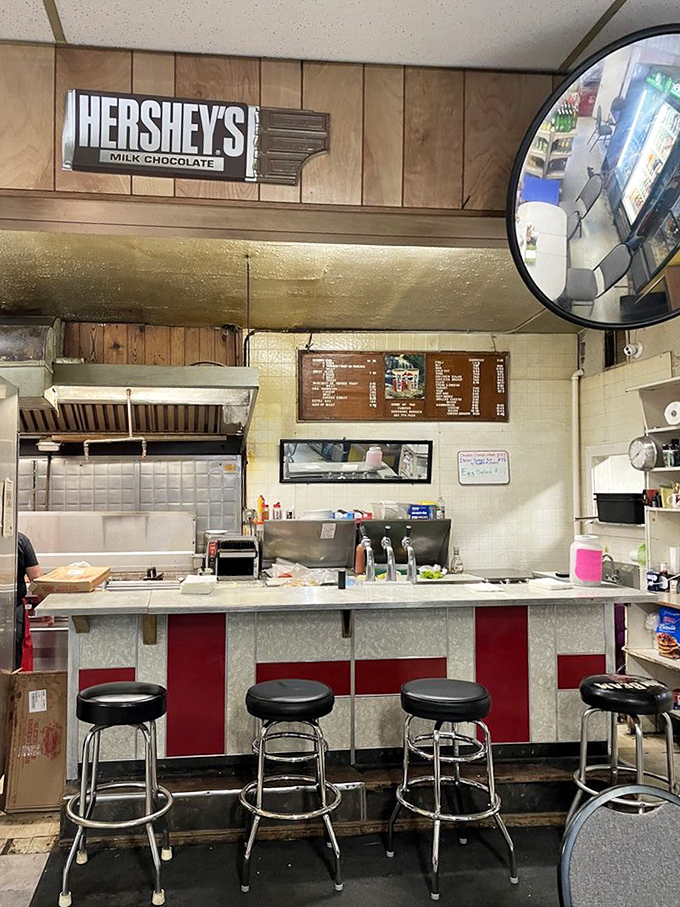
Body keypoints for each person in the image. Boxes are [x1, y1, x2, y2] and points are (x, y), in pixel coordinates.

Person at [15, 532, 43, 670]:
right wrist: (45, 606)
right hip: (12, 613)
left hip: (14, 610)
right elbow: (36, 578)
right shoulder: (19, 540)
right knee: (13, 665)